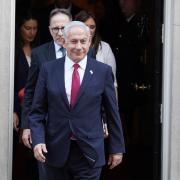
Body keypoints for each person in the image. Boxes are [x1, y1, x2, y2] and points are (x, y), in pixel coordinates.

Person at [29, 21, 125, 180]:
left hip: (89, 151)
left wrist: (117, 148)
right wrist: (38, 140)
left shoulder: (103, 72)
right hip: (53, 150)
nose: (78, 46)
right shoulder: (48, 69)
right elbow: (37, 111)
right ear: (64, 42)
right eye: (73, 41)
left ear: (89, 42)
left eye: (83, 41)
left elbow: (112, 113)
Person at [21, 8, 72, 149]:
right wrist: (26, 125)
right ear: (50, 30)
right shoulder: (39, 54)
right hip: (47, 126)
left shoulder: (82, 51)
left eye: (64, 28)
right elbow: (30, 91)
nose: (60, 33)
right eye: (56, 29)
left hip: (77, 127)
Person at [75, 10, 117, 137]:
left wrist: (111, 115)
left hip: (99, 108)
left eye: (92, 27)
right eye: (84, 26)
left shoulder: (104, 48)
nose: (89, 30)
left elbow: (112, 83)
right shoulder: (70, 48)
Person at [13, 9, 39, 180]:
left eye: (34, 28)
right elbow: (8, 83)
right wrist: (13, 110)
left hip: (36, 107)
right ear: (19, 28)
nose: (31, 32)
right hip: (18, 107)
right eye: (27, 28)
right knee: (17, 153)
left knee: (36, 151)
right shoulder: (12, 50)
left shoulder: (41, 50)